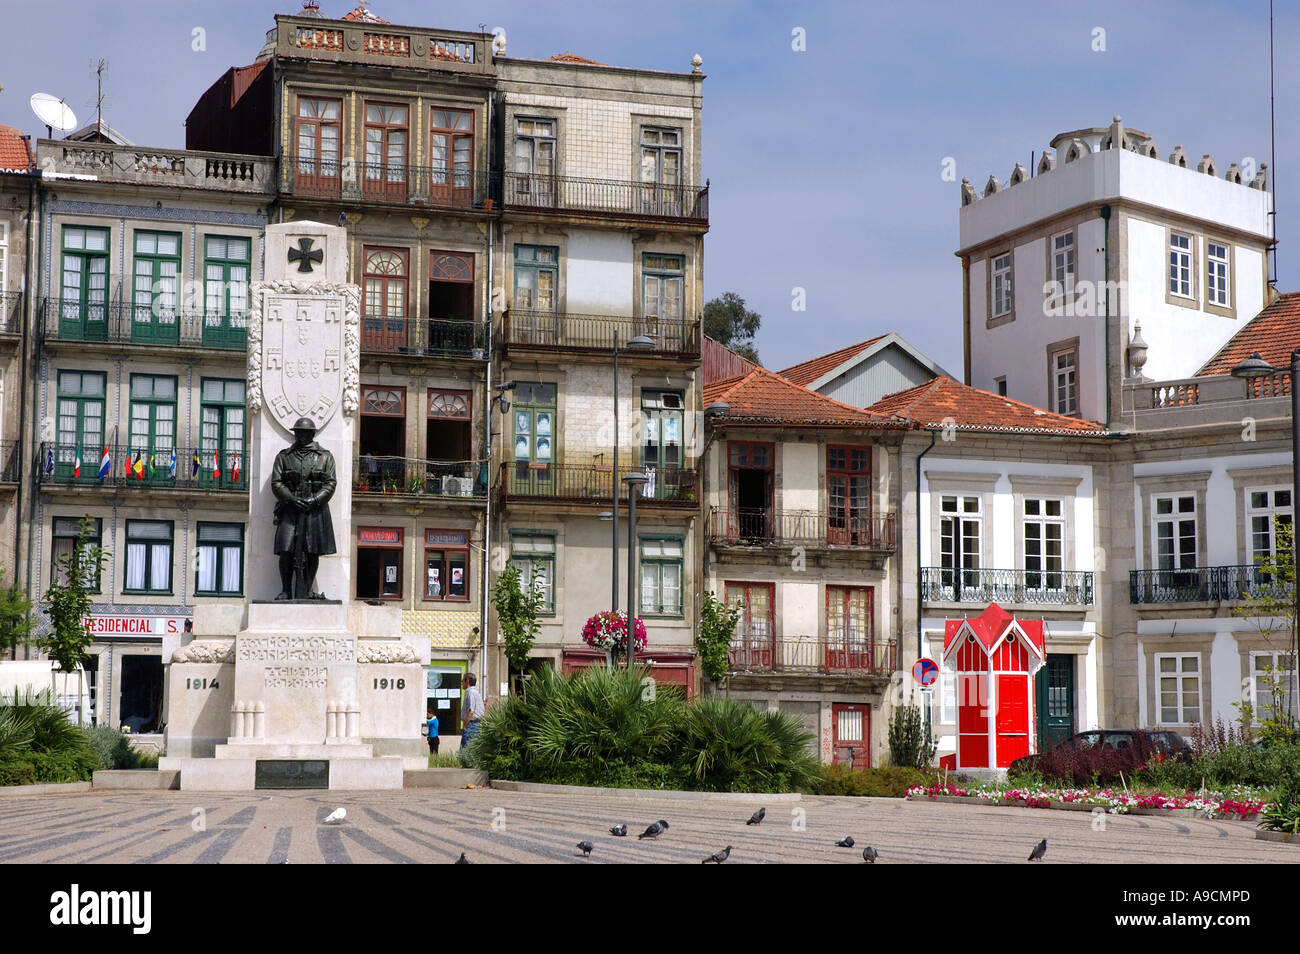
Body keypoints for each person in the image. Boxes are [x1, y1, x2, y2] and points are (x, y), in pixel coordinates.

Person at [272, 417, 338, 599]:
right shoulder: (284, 457)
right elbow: (276, 483)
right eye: (298, 432)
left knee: (312, 550)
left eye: (304, 432)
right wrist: (292, 499)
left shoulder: (325, 457)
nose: (300, 436)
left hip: (315, 511)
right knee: (285, 548)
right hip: (289, 509)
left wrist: (314, 500)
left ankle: (307, 589)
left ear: (312, 434)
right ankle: (286, 589)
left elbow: (330, 484)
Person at [461, 672, 485, 754]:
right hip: (476, 723)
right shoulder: (476, 692)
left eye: (462, 681)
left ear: (467, 681)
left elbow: (470, 711)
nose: (462, 684)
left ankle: (467, 765)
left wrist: (464, 725)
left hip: (471, 724)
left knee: (467, 747)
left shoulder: (470, 693)